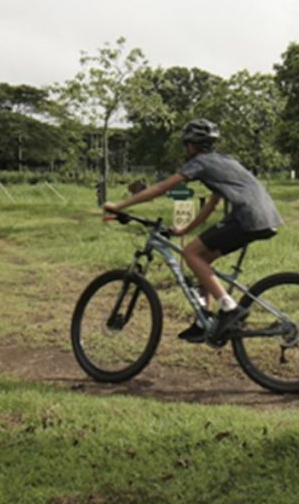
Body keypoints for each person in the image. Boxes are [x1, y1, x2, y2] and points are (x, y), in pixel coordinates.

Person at [102, 119, 282, 343]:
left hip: (247, 217)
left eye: (186, 145)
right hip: (267, 217)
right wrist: (185, 229)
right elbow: (212, 204)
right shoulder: (225, 161)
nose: (185, 150)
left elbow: (160, 188)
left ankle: (229, 308)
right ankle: (203, 320)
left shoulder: (201, 163)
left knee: (190, 253)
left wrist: (118, 206)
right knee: (202, 260)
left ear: (194, 145)